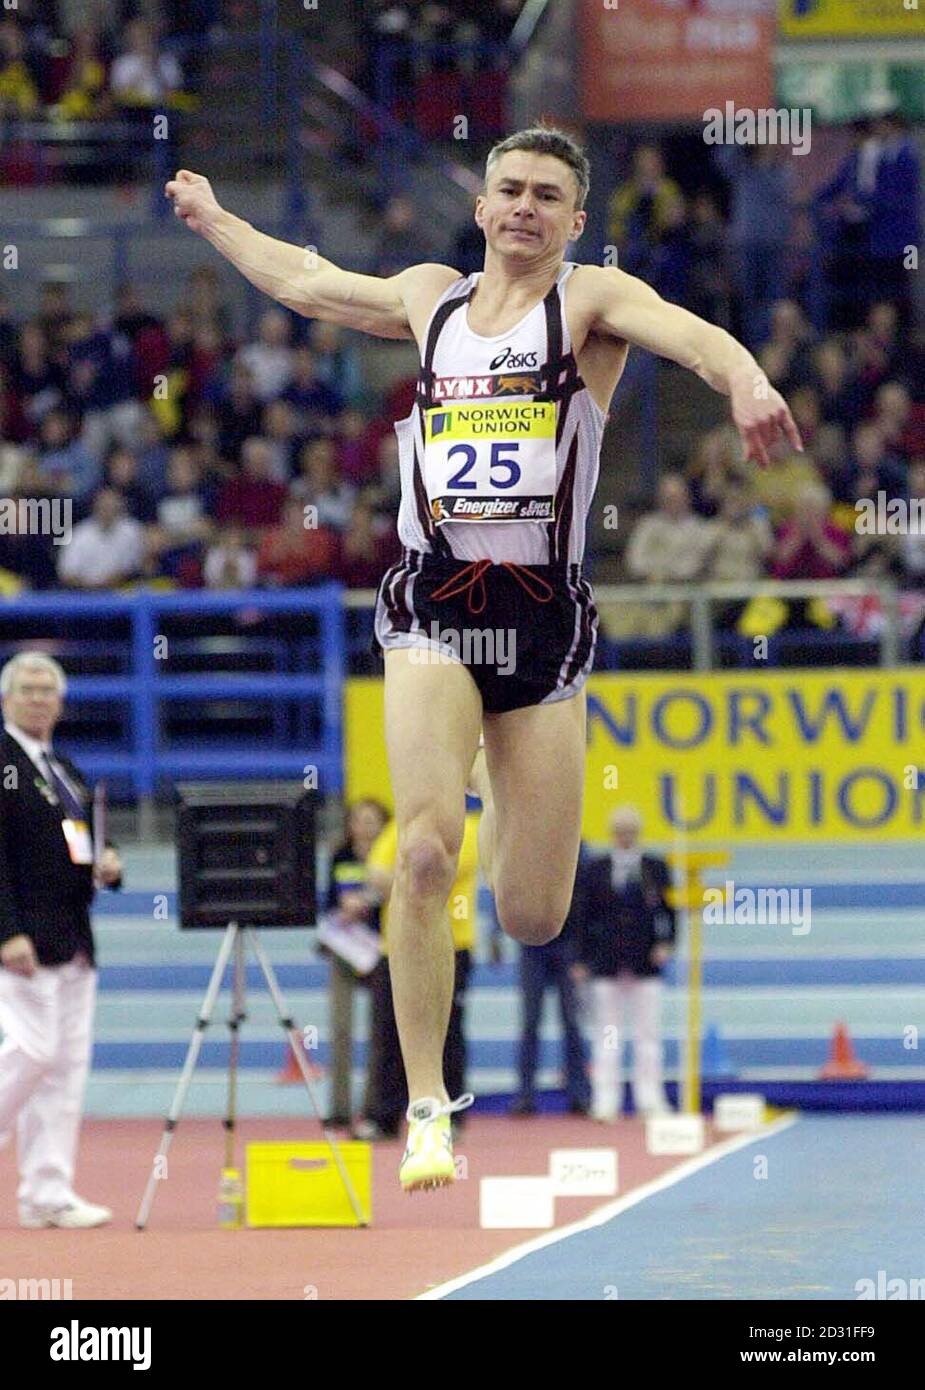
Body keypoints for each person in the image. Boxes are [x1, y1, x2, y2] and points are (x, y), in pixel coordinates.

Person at [166, 124, 801, 1191]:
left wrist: (743, 381)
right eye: (509, 189)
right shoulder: (432, 298)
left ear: (575, 221)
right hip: (434, 596)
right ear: (480, 205)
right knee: (421, 853)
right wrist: (218, 220)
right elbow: (311, 284)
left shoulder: (591, 302)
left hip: (541, 612)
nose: (523, 208)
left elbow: (692, 336)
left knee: (531, 914)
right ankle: (427, 1105)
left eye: (546, 196)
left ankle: (499, 774)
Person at [0, 652, 123, 1227]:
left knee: (66, 1067)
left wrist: (106, 861)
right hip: (23, 938)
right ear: (6, 698)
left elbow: (82, 839)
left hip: (73, 935)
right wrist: (6, 931)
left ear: (61, 702)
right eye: (27, 688)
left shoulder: (64, 768)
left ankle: (47, 1192)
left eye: (47, 690)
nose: (38, 698)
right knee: (32, 1051)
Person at [570, 806, 675, 1121]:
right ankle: (606, 1099)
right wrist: (582, 959)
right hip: (606, 964)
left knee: (648, 1035)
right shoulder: (596, 869)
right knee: (607, 1035)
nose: (625, 837)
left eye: (630, 831)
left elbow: (670, 912)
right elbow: (583, 917)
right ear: (613, 834)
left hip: (645, 963)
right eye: (620, 832)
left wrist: (666, 943)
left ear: (638, 833)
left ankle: (650, 1098)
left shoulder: (655, 868)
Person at [322, 798, 390, 1128]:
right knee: (341, 1028)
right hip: (344, 948)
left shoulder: (389, 855)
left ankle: (374, 1105)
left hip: (379, 950)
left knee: (380, 1031)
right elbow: (327, 901)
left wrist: (368, 903)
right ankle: (339, 1108)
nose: (365, 827)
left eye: (372, 821)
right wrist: (344, 907)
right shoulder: (340, 856)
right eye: (360, 820)